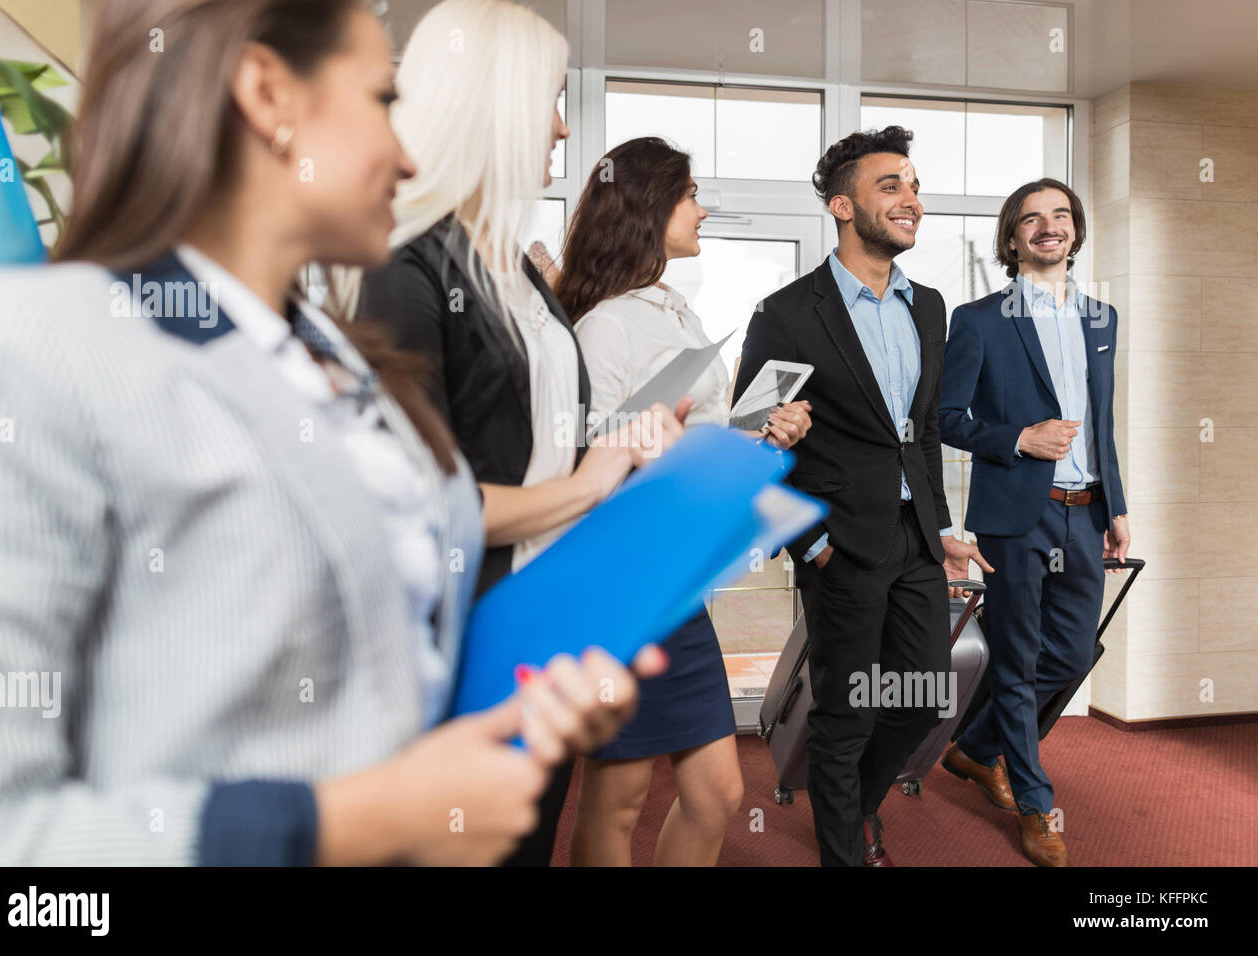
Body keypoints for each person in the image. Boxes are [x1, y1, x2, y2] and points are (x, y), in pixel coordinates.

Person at [0, 0, 661, 866]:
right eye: (380, 100)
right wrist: (362, 821)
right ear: (267, 93)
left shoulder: (334, 356)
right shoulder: (25, 351)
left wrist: (512, 711)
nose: (407, 153)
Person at [355, 0, 687, 866]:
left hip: (536, 627)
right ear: (491, 104)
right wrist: (585, 482)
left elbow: (537, 443)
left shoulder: (515, 271)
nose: (561, 127)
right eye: (547, 98)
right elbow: (416, 502)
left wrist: (624, 453)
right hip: (456, 643)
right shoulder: (406, 264)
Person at [735, 125, 992, 867]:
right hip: (836, 547)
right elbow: (752, 439)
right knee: (847, 713)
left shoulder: (929, 305)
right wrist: (808, 542)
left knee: (920, 699)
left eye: (915, 186)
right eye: (892, 186)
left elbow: (924, 432)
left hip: (914, 542)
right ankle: (843, 852)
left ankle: (854, 815)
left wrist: (940, 527)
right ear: (843, 207)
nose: (911, 200)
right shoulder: (786, 312)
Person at [555, 136, 812, 866]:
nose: (704, 208)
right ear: (648, 205)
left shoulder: (671, 309)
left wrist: (762, 436)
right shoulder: (603, 324)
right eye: (691, 194)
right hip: (621, 589)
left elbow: (692, 438)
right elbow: (591, 465)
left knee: (717, 794)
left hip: (676, 587)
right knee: (618, 801)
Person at [938, 178, 1129, 867]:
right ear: (1013, 237)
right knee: (1017, 662)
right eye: (1032, 219)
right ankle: (1034, 804)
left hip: (1085, 514)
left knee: (1074, 655)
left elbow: (1103, 424)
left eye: (1060, 216)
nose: (1048, 227)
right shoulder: (979, 318)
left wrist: (1119, 505)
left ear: (1074, 230)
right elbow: (947, 420)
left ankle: (977, 748)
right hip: (1017, 517)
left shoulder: (1102, 318)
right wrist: (1020, 438)